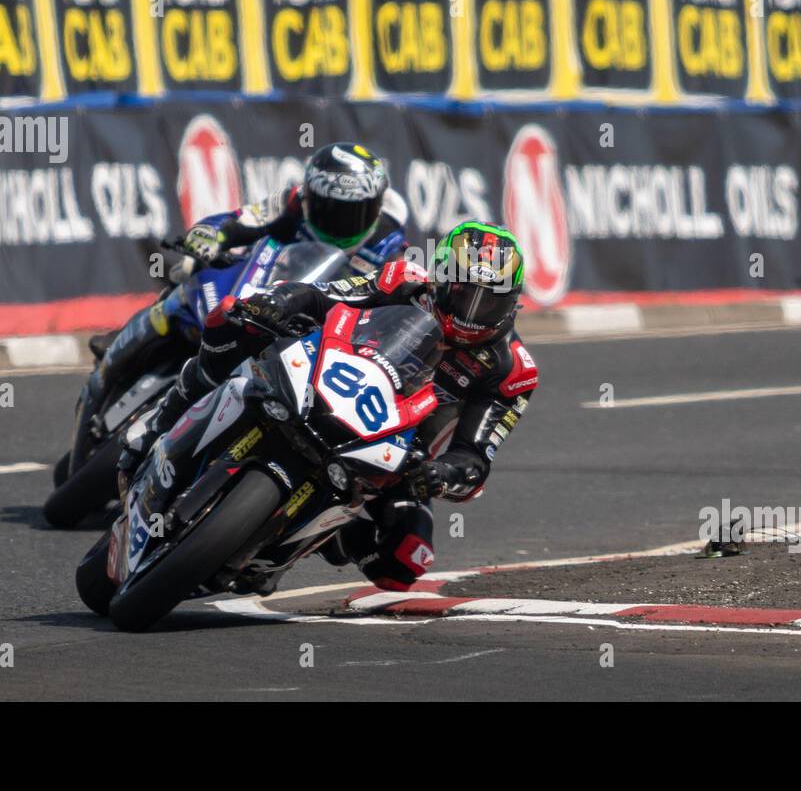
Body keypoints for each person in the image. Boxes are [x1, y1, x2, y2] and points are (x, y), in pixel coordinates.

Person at [120, 221, 539, 591]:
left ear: (512, 300)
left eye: (489, 301)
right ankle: (162, 421)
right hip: (329, 379)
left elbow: (476, 455)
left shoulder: (510, 370)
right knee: (231, 320)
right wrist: (280, 303)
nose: (471, 313)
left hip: (399, 453)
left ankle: (308, 538)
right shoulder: (403, 280)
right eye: (464, 294)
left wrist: (443, 473)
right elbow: (325, 296)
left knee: (404, 562)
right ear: (442, 281)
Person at [72, 143, 407, 477]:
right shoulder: (290, 203)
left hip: (305, 321)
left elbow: (387, 308)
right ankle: (122, 342)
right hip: (257, 286)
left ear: (376, 207)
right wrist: (211, 234)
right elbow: (239, 220)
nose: (339, 222)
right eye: (328, 208)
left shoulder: (389, 246)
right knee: (186, 271)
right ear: (309, 197)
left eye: (352, 212)